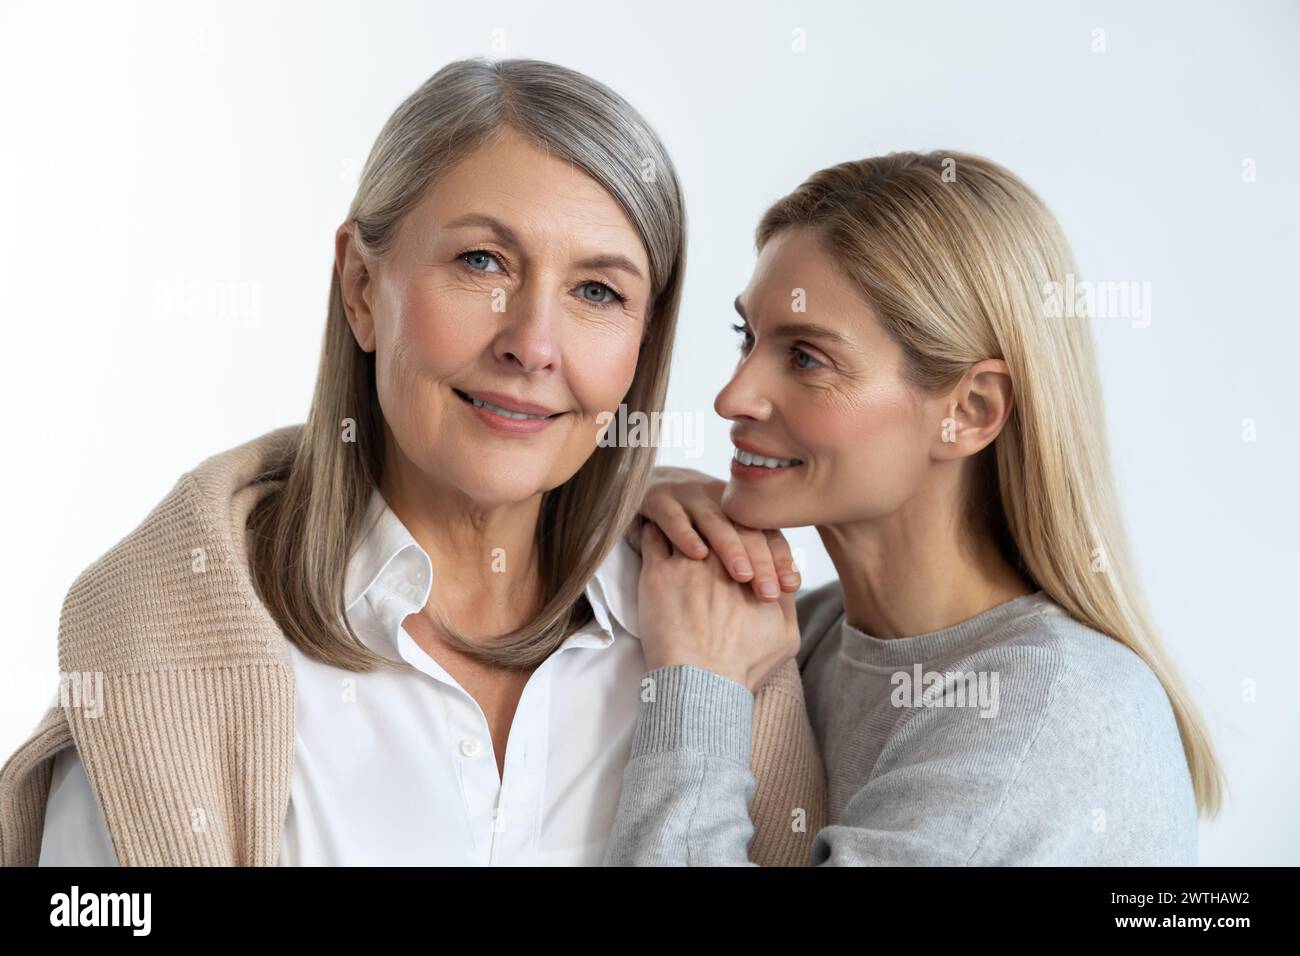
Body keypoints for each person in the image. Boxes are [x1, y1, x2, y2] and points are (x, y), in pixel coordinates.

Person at [0, 58, 824, 867]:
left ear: (643, 344)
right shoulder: (176, 671)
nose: (531, 345)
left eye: (597, 292)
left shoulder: (721, 641)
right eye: (482, 263)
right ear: (362, 287)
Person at [603, 150, 1223, 866]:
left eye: (806, 358)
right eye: (749, 339)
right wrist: (624, 499)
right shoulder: (798, 633)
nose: (732, 397)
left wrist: (696, 689)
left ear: (971, 409)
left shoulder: (1051, 714)